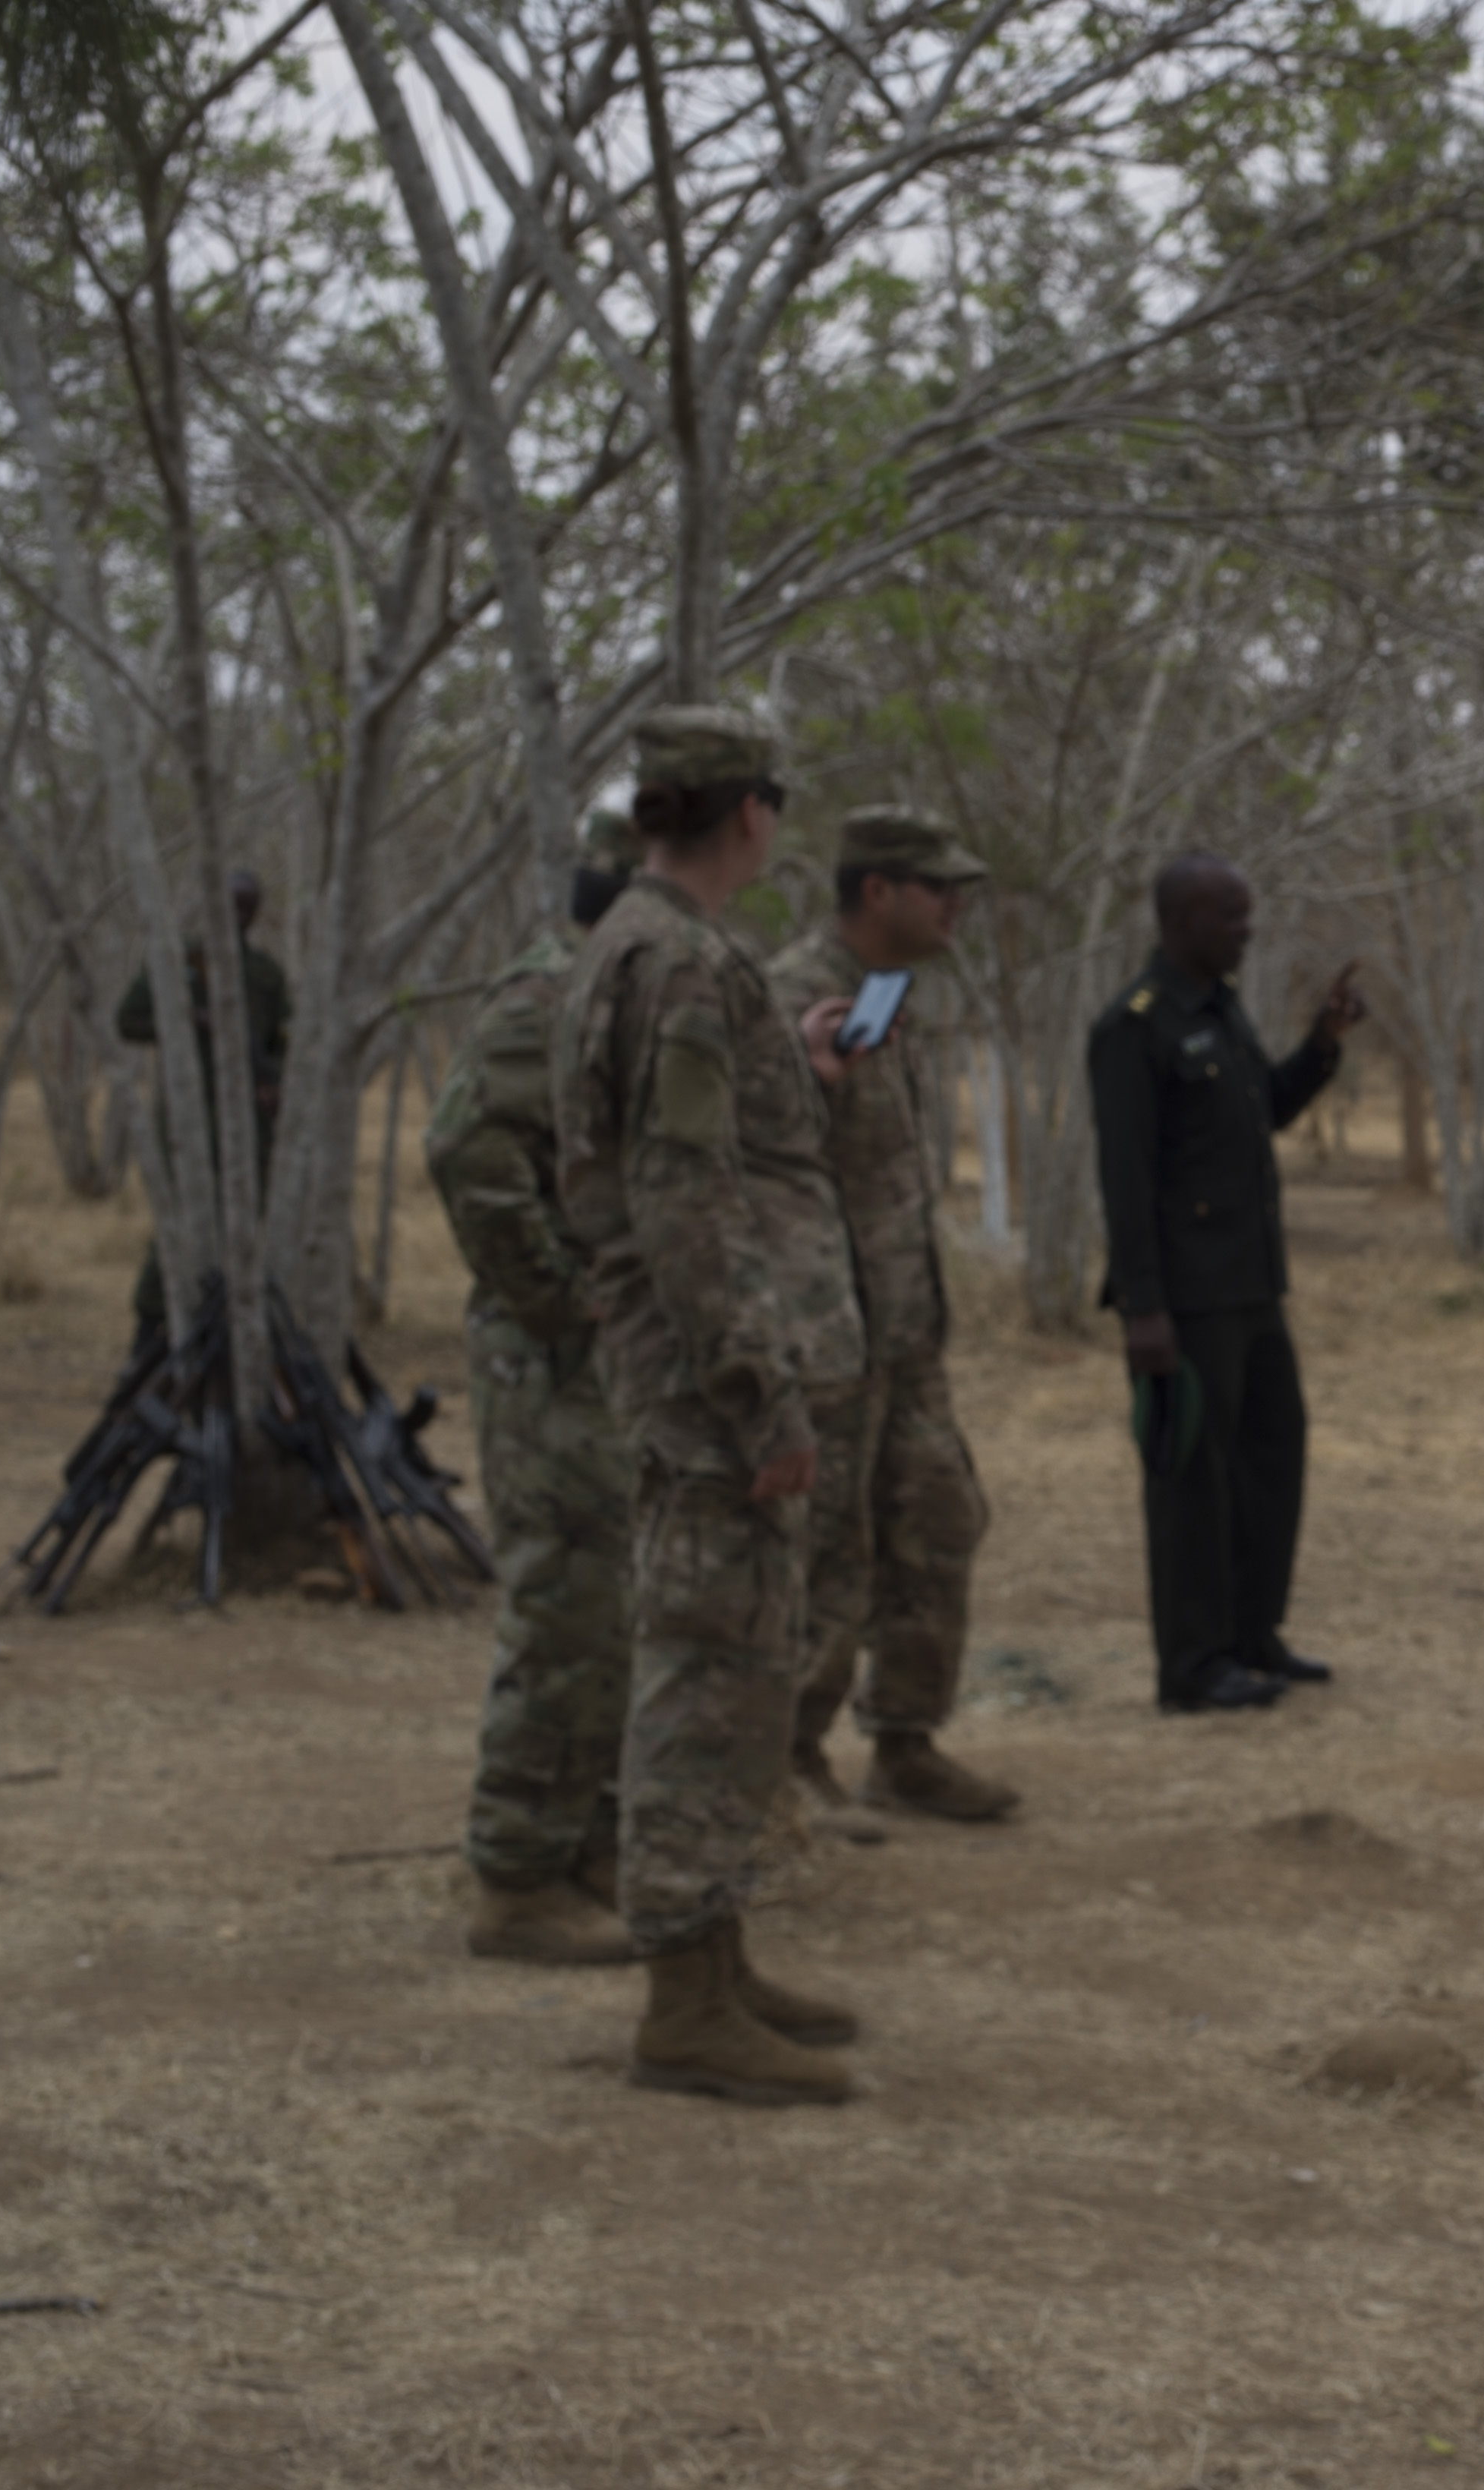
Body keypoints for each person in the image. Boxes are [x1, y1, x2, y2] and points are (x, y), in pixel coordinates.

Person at [555, 708, 871, 2107]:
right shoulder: (676, 961)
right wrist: (759, 1397)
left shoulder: (651, 950)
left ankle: (716, 1954)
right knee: (704, 1669)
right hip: (705, 1391)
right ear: (750, 811)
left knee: (739, 1664)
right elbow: (682, 1197)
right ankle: (682, 2000)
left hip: (695, 1377)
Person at [772, 807, 1013, 1820]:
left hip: (905, 1328)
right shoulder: (787, 999)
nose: (957, 904)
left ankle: (905, 1743)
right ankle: (788, 1759)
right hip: (826, 1337)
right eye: (938, 887)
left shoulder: (886, 998)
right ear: (878, 891)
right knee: (829, 1551)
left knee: (938, 1520)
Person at [428, 810, 639, 1964]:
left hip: (604, 1365)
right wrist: (559, 1297)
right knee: (567, 1603)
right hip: (550, 1363)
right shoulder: (549, 994)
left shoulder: (609, 995)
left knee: (619, 1606)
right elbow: (465, 1147)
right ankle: (516, 1876)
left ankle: (588, 1845)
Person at [1088, 853, 1367, 1714]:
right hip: (1184, 1301)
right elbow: (1126, 1178)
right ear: (1181, 923)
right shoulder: (1136, 1026)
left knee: (1269, 1462)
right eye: (1231, 918)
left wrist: (1321, 1045)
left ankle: (1252, 1636)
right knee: (1189, 1486)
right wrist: (1144, 1306)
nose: (1247, 931)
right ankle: (1192, 1665)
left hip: (1250, 1290)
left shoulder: (1220, 1013)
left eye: (1247, 916)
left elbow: (1266, 1112)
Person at [118, 867, 292, 1351]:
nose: (237, 915)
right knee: (184, 1222)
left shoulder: (265, 975)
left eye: (247, 906)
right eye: (230, 903)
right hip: (187, 1117)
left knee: (242, 1220)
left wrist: (273, 1086)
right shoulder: (179, 963)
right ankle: (152, 1323)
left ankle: (227, 1328)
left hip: (249, 1123)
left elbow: (285, 1042)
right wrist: (190, 1019)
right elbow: (128, 1021)